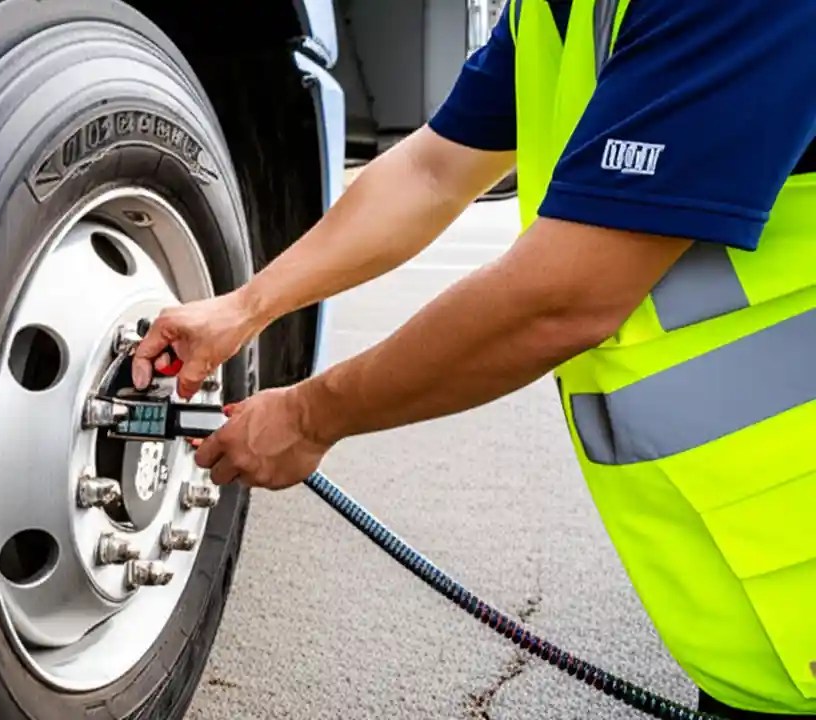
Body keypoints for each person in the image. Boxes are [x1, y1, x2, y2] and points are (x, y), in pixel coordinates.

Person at [130, 1, 816, 718]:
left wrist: (308, 417)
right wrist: (245, 307)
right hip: (758, 620)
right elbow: (434, 169)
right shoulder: (557, 15)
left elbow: (564, 296)